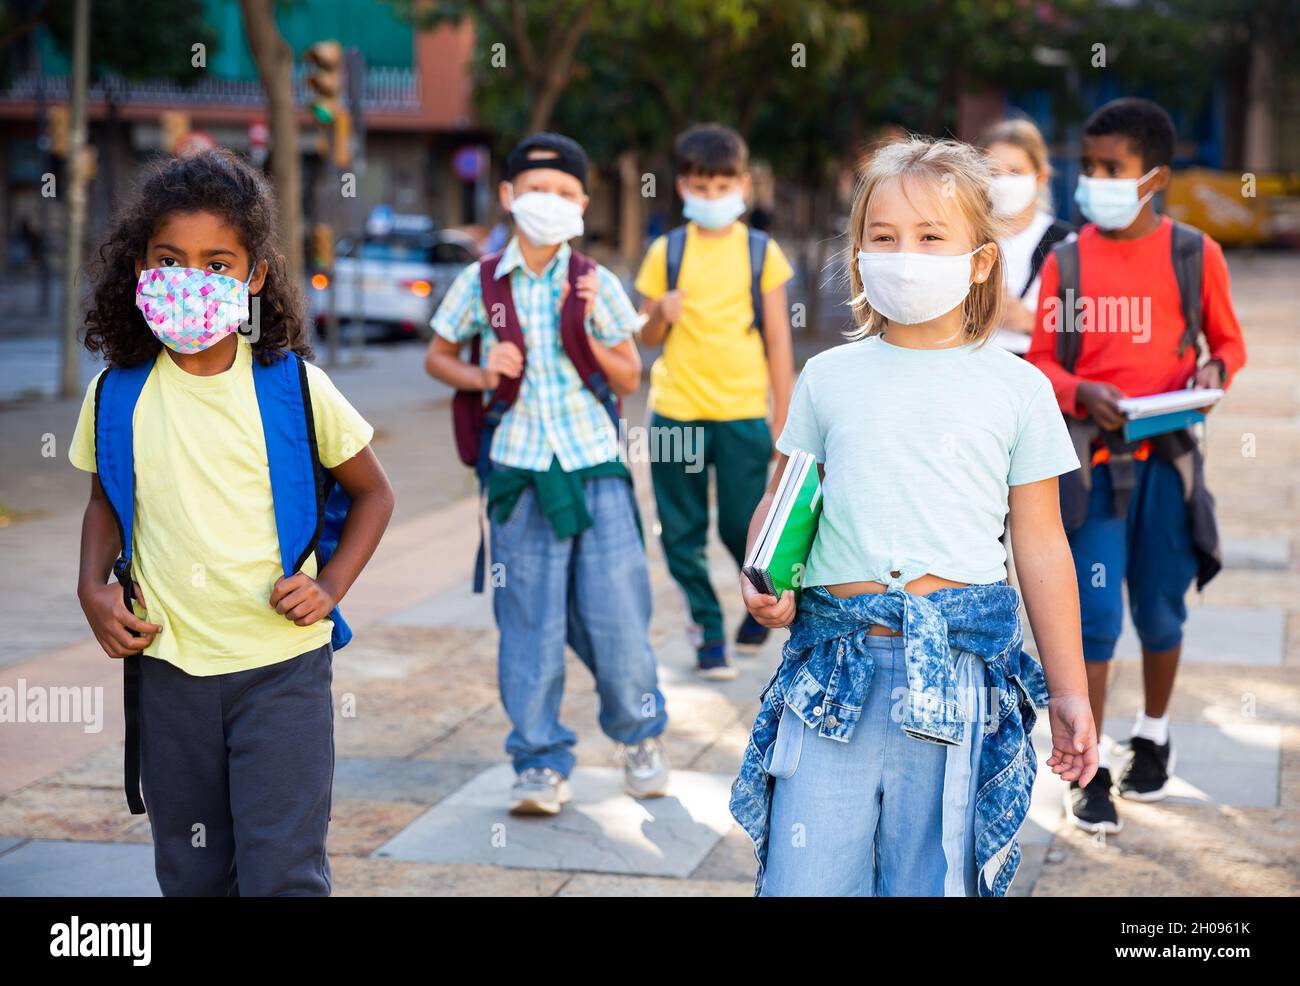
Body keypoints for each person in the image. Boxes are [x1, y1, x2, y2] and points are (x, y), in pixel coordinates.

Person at [729, 137, 1098, 897]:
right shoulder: (827, 376)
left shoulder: (1018, 388)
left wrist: (1070, 691)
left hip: (959, 676)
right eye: (884, 237)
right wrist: (764, 574)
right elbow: (786, 496)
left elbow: (1041, 544)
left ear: (981, 260)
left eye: (932, 238)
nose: (906, 255)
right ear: (858, 253)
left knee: (930, 880)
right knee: (806, 880)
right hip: (833, 669)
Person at [71, 149, 394, 896]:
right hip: (169, 668)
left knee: (283, 871)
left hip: (281, 666)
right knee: (191, 872)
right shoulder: (116, 395)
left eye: (218, 263)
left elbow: (375, 493)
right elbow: (103, 503)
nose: (193, 278)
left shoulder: (296, 389)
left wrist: (332, 586)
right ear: (141, 270)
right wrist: (92, 588)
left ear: (253, 275)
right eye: (170, 259)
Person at [425, 133, 670, 816]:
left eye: (565, 193)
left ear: (583, 205)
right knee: (528, 624)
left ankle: (641, 736)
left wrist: (588, 325)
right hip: (517, 476)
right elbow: (437, 356)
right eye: (536, 190)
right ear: (507, 197)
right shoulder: (480, 282)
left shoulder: (596, 281)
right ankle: (538, 761)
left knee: (618, 616)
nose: (549, 203)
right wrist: (480, 372)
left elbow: (629, 373)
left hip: (594, 469)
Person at [1026, 97, 1247, 834]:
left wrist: (1215, 371)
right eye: (1087, 167)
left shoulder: (1195, 255)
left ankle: (1151, 734)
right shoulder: (1067, 261)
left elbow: (1227, 345)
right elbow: (1039, 367)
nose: (1093, 181)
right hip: (1090, 467)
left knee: (1160, 607)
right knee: (1091, 618)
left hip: (1169, 463)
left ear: (1153, 177)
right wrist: (1078, 388)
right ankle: (1086, 764)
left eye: (1110, 169)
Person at [635, 123, 795, 680]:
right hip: (676, 412)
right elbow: (645, 337)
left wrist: (785, 416)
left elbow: (779, 338)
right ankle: (707, 631)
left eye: (722, 184)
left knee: (740, 524)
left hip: (743, 413)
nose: (711, 196)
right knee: (679, 531)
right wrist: (659, 314)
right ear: (682, 187)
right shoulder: (665, 251)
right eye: (700, 186)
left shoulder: (761, 251)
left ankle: (759, 600)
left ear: (743, 184)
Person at [976, 118, 1076, 354]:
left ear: (1040, 177)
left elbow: (1087, 329)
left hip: (1037, 368)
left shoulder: (1068, 243)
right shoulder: (968, 238)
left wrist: (1030, 321)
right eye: (993, 172)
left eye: (1015, 171)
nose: (1003, 182)